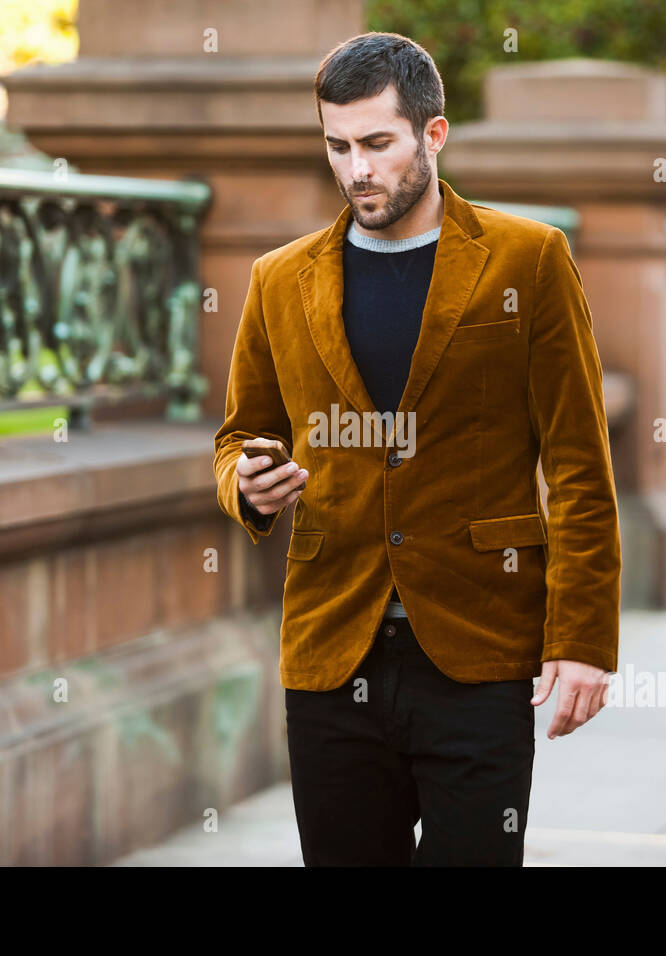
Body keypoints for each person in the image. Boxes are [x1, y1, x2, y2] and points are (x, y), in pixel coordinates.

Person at [213, 31, 621, 866]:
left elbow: (579, 463)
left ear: (432, 136)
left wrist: (581, 638)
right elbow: (238, 436)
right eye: (337, 146)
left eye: (376, 143)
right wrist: (245, 485)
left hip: (477, 652)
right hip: (331, 649)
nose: (356, 169)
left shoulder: (529, 260)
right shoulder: (278, 280)